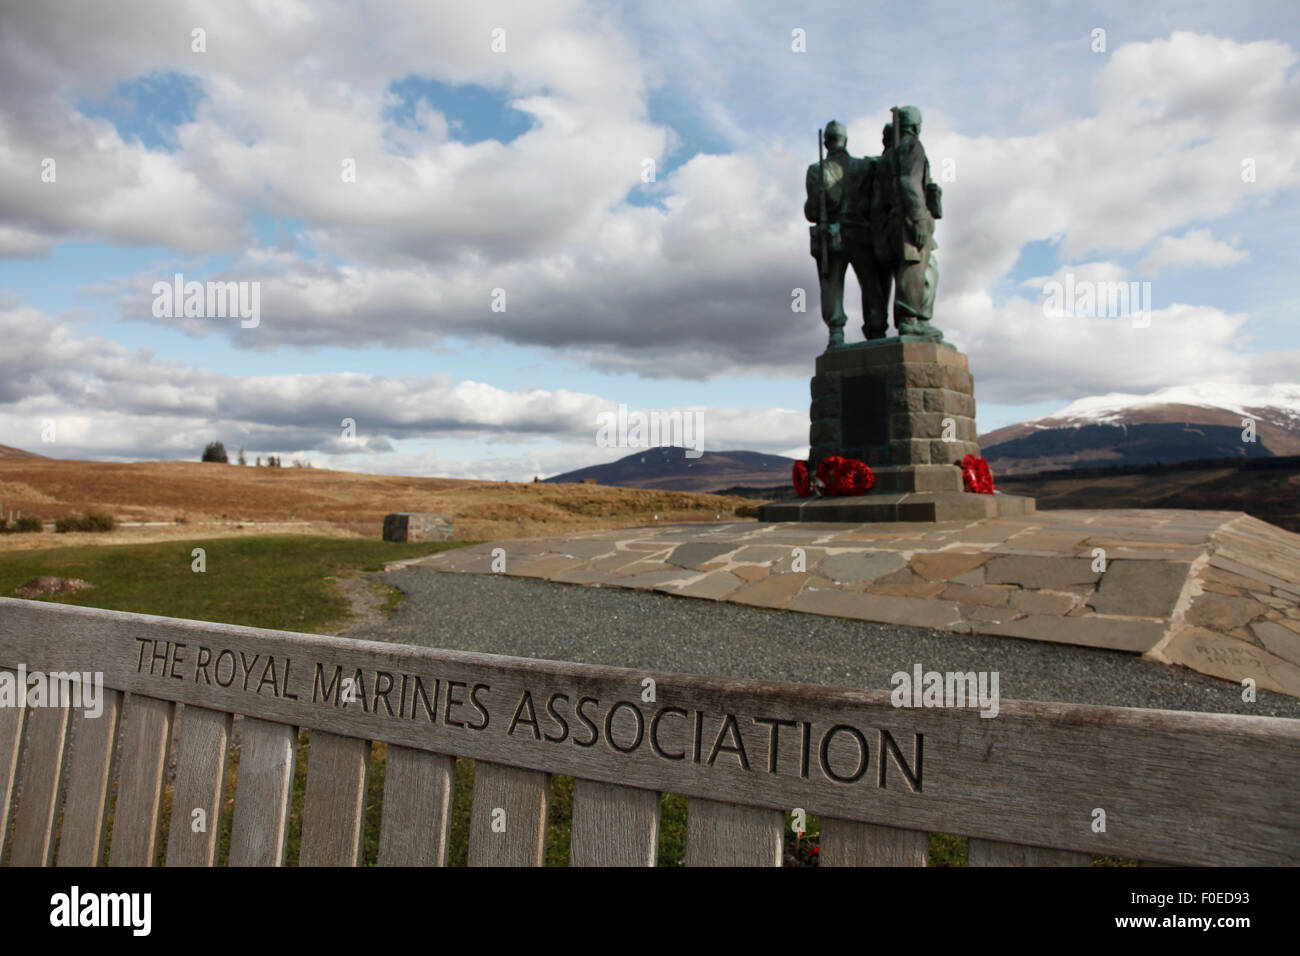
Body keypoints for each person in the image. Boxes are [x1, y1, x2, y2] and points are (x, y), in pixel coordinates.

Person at [804, 120, 885, 348]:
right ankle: (877, 328)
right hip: (861, 233)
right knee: (870, 283)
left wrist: (819, 197)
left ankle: (836, 332)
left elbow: (811, 213)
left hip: (832, 236)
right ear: (845, 141)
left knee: (831, 284)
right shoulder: (865, 167)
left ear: (825, 142)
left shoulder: (816, 170)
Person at [871, 106, 943, 338]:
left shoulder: (887, 155)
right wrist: (919, 218)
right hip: (908, 219)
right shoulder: (912, 146)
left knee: (925, 269)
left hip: (893, 221)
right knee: (913, 267)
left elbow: (878, 201)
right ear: (917, 125)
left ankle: (917, 318)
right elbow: (909, 183)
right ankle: (910, 319)